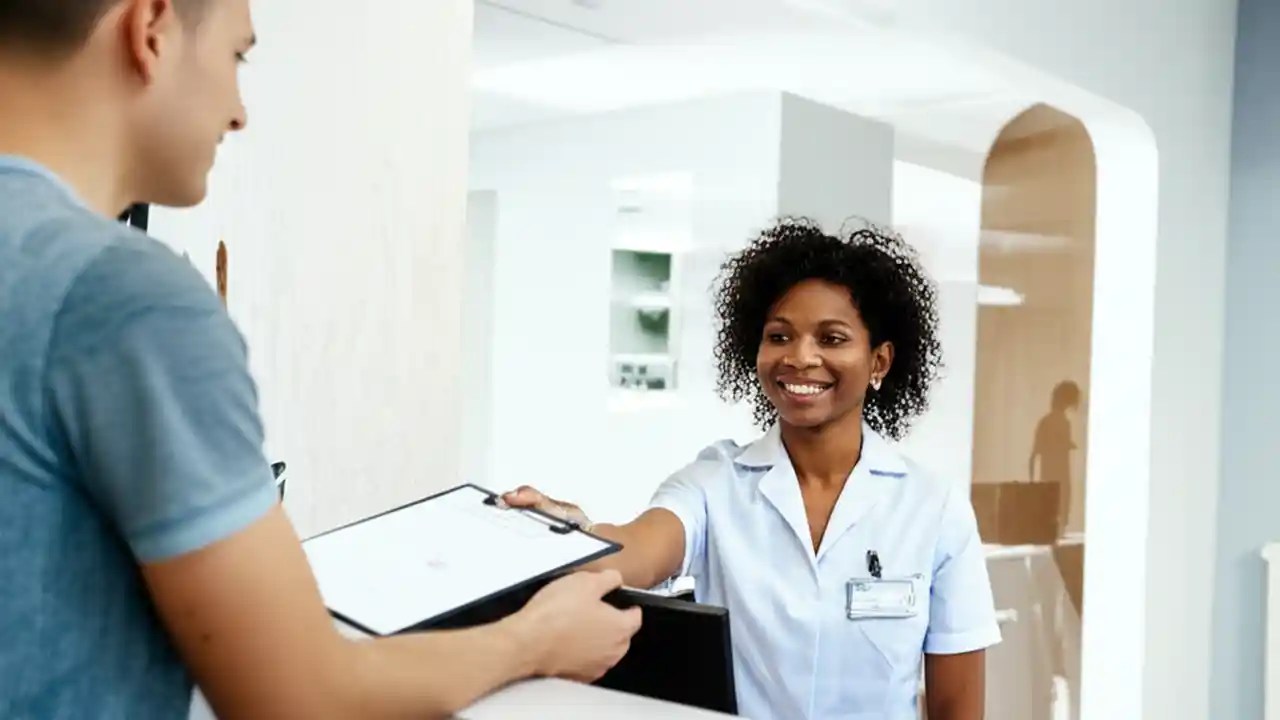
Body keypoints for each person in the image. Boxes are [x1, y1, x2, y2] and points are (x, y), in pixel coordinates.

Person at [0, 1, 640, 718]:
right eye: (237, 57)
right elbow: (300, 697)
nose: (238, 112)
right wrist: (534, 638)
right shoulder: (125, 296)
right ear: (150, 28)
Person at [505, 218, 1002, 720]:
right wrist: (575, 534)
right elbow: (639, 552)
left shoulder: (932, 506)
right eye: (779, 336)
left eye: (831, 339)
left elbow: (956, 703)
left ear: (880, 361)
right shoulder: (715, 483)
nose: (801, 357)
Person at [1028, 380, 1082, 537]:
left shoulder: (1050, 421)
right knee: (1057, 512)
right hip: (1056, 477)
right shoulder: (1060, 422)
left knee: (1056, 514)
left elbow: (1034, 454)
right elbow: (1037, 453)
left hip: (1052, 478)